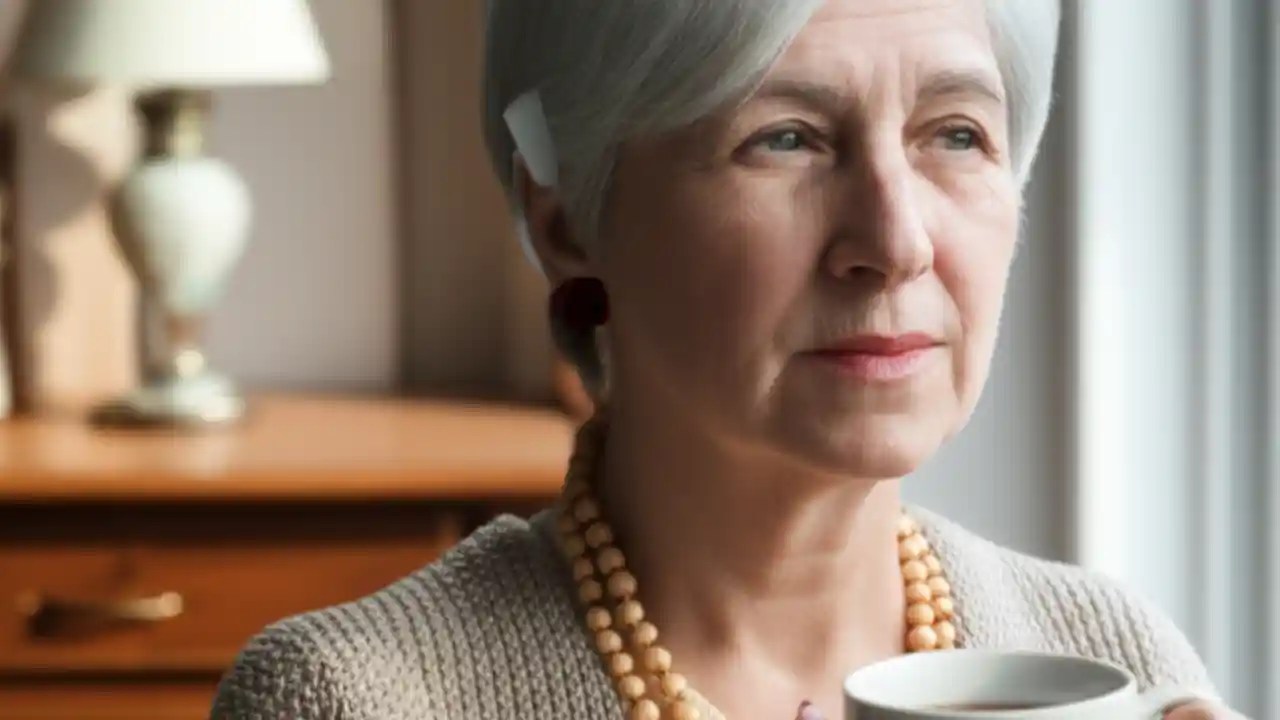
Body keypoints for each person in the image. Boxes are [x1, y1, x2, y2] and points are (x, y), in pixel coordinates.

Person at [211, 2, 1246, 718]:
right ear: (569, 215)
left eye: (955, 135)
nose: (893, 241)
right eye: (785, 138)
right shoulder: (347, 698)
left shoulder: (1116, 658)